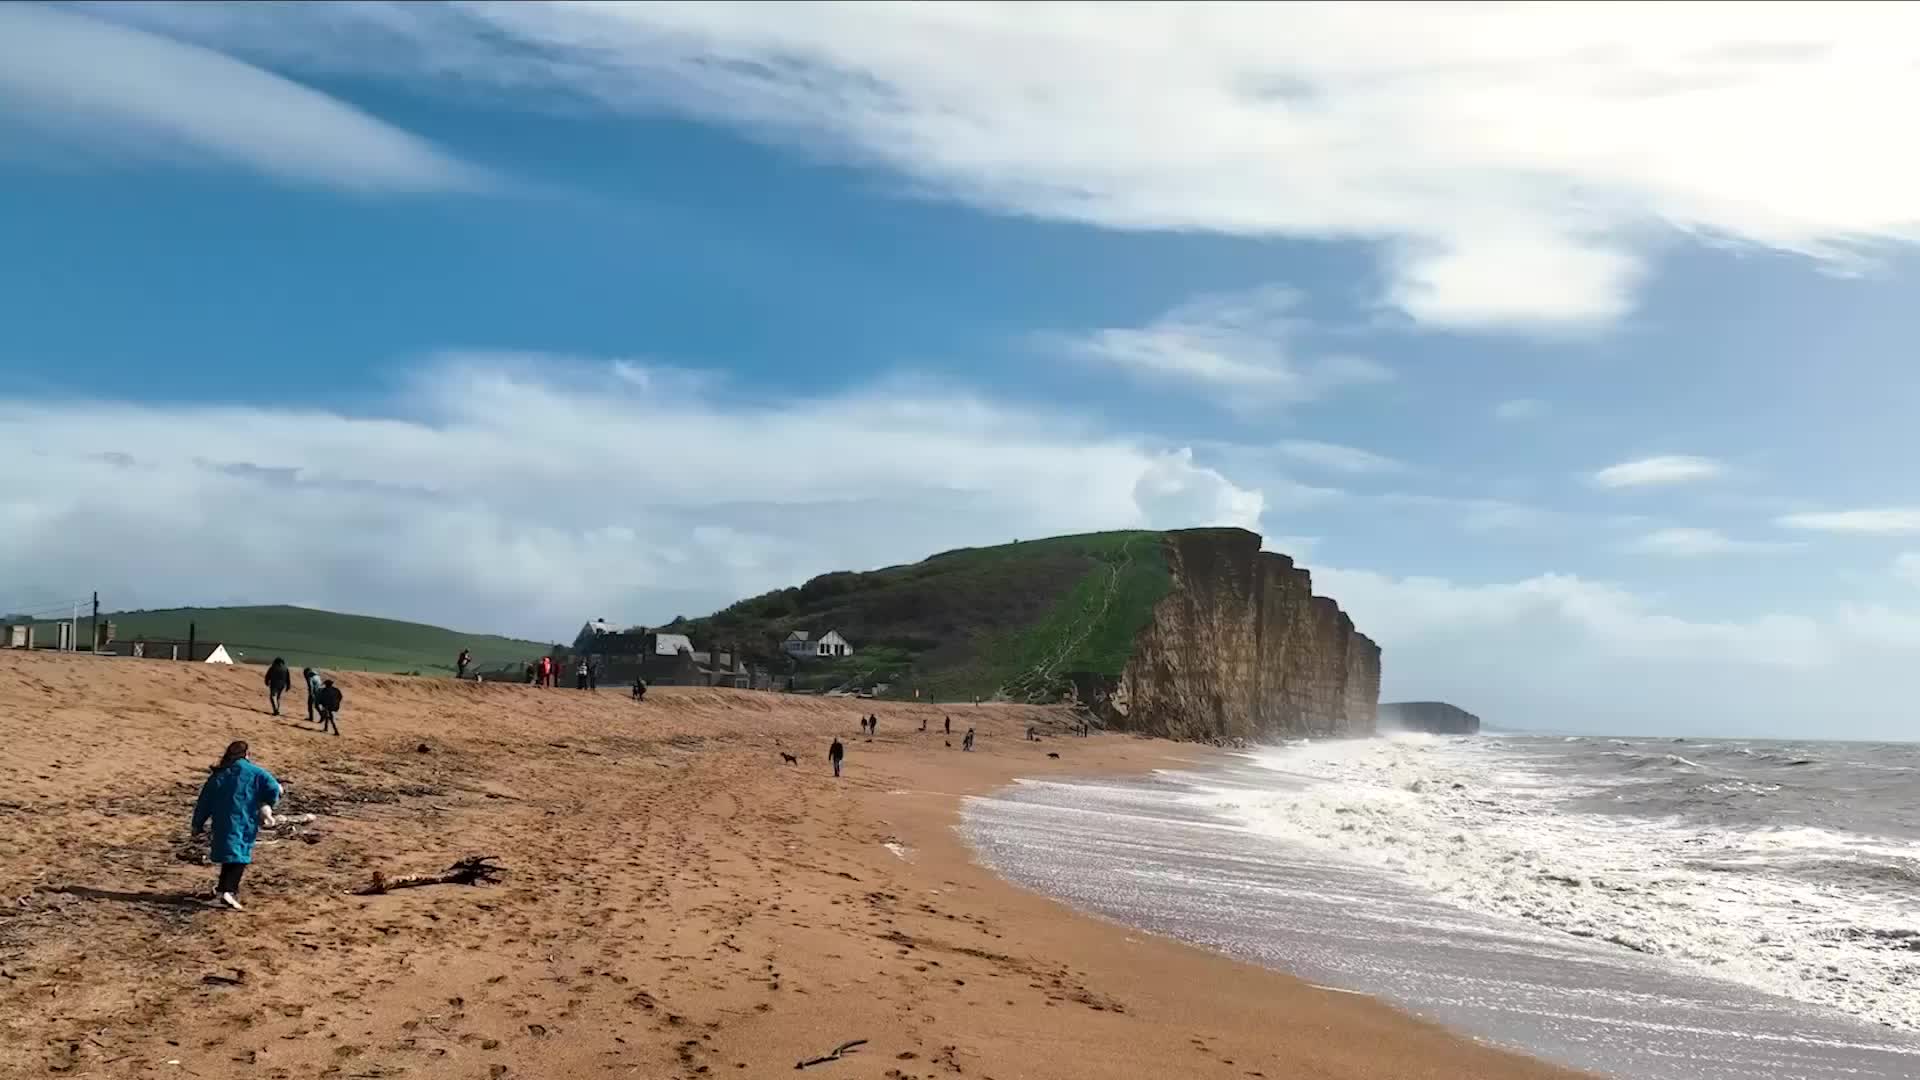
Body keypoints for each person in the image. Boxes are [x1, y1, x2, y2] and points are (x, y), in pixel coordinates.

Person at [191, 740, 282, 911]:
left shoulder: (220, 774)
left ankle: (221, 890)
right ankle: (228, 891)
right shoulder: (255, 772)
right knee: (239, 856)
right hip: (245, 818)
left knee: (230, 854)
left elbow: (204, 801)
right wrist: (269, 802)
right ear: (247, 754)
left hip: (222, 820)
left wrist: (197, 824)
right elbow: (273, 787)